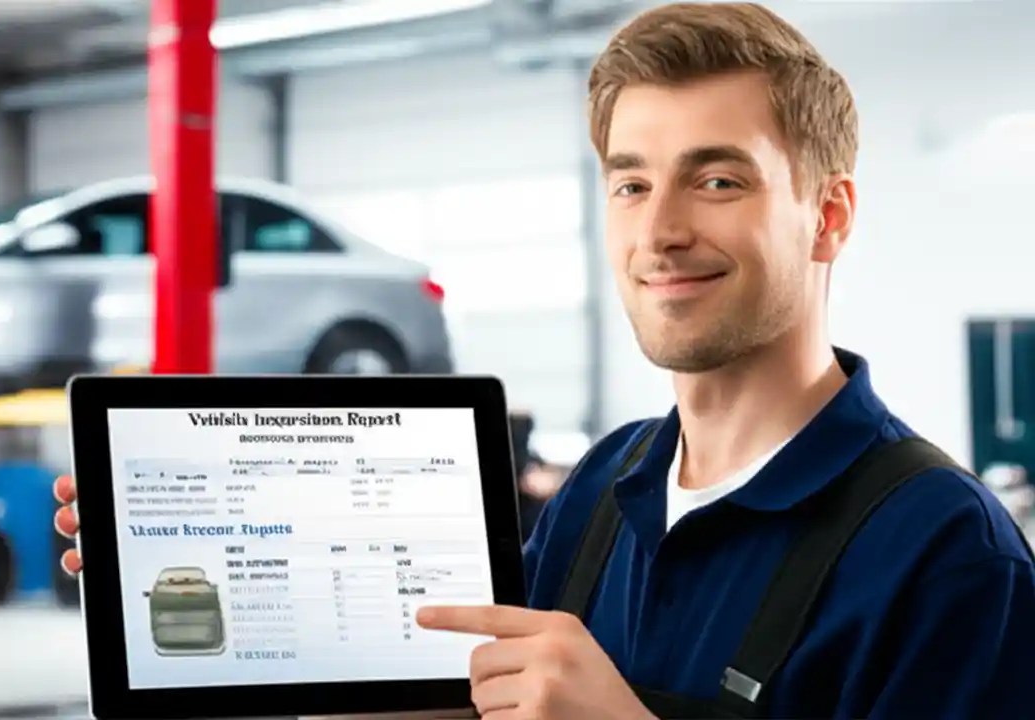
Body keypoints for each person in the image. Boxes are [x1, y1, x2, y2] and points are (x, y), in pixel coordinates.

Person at [53, 2, 1035, 718]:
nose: (659, 231)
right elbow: (477, 701)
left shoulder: (947, 557)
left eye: (717, 179)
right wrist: (189, 574)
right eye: (629, 183)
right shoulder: (603, 485)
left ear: (826, 217)